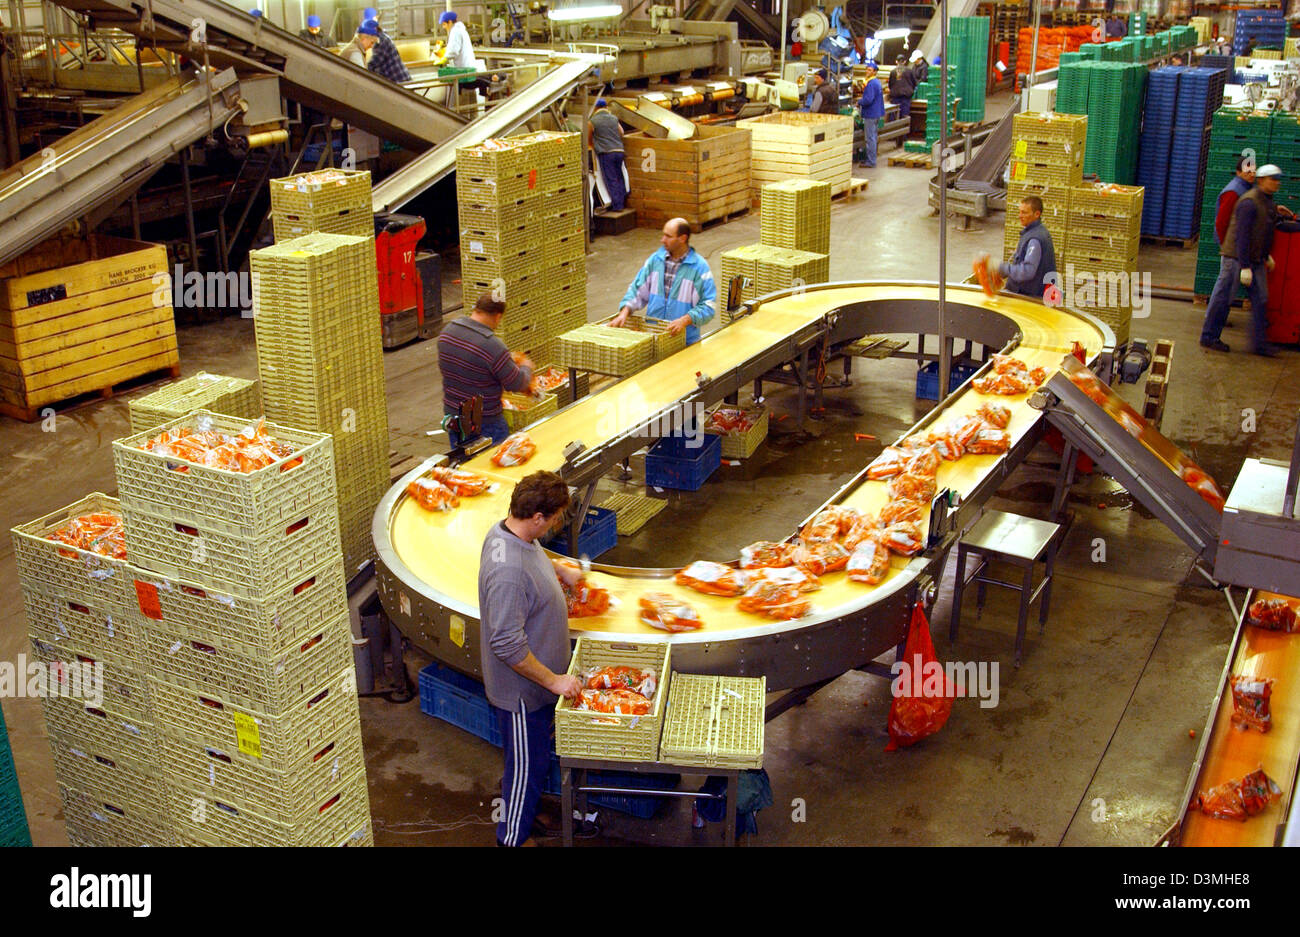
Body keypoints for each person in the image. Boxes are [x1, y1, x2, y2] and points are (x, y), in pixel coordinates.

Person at [478, 471, 582, 848]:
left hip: (534, 689)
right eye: (554, 518)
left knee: (528, 763)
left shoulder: (509, 534)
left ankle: (523, 810)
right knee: (526, 767)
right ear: (537, 517)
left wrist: (557, 571)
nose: (556, 524)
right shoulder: (508, 572)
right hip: (523, 693)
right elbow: (505, 643)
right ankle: (512, 837)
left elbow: (528, 564)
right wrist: (555, 681)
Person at [1200, 165, 1288, 356]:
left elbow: (1263, 232)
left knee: (1261, 299)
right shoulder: (1248, 202)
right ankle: (1209, 337)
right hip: (1236, 258)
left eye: (1277, 179)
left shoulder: (1266, 202)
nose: (1276, 182)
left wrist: (1266, 256)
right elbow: (1242, 235)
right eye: (1272, 179)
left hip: (1253, 258)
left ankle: (1259, 344)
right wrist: (1245, 267)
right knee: (1224, 299)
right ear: (1262, 180)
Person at [437, 293, 535, 445]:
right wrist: (526, 367)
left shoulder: (448, 332)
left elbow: (468, 365)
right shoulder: (492, 346)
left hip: (454, 418)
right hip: (486, 423)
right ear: (497, 316)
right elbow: (517, 384)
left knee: (462, 463)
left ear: (476, 309)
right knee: (493, 466)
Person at [611, 218, 717, 345]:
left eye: (668, 236)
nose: (662, 240)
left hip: (684, 341)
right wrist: (624, 313)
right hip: (654, 338)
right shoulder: (655, 261)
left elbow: (708, 306)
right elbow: (637, 290)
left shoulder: (699, 268)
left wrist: (685, 320)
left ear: (682, 238)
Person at [998, 196, 1057, 299]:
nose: (1020, 216)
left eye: (1024, 212)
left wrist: (1003, 268)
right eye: (1020, 212)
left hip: (1031, 296)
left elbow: (1028, 271)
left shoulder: (1035, 239)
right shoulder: (1035, 232)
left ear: (1037, 214)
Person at [588, 98, 627, 212]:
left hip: (606, 153)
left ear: (596, 108)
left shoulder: (593, 120)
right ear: (606, 107)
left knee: (611, 179)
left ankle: (617, 206)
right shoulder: (614, 118)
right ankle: (622, 201)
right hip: (619, 151)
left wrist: (593, 146)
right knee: (620, 177)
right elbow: (622, 132)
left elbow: (588, 138)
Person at [1215, 156, 1256, 245]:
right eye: (1248, 171)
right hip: (1232, 245)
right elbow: (1221, 222)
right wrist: (1226, 245)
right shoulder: (1232, 192)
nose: (1252, 174)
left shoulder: (1249, 187)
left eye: (1253, 171)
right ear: (1238, 172)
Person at [356, 18, 410, 82]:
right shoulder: (382, 36)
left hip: (397, 80)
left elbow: (374, 63)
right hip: (399, 77)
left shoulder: (380, 40)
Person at [857, 61, 884, 168]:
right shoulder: (876, 82)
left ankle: (871, 161)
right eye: (867, 69)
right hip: (876, 113)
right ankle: (871, 158)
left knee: (870, 138)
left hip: (871, 114)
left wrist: (859, 102)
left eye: (870, 70)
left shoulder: (871, 84)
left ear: (874, 72)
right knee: (873, 137)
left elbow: (868, 99)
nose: (867, 71)